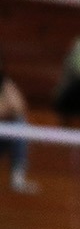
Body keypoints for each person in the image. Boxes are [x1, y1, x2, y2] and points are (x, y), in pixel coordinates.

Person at [0, 56, 34, 194]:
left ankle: (17, 178)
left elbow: (20, 107)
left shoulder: (5, 83)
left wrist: (5, 110)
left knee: (19, 123)